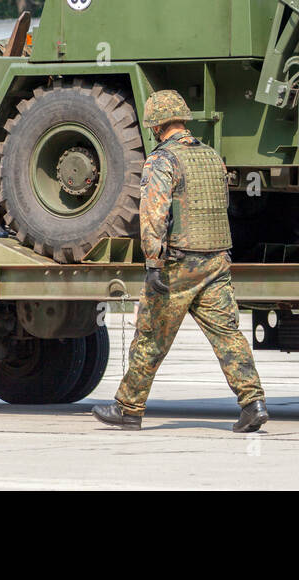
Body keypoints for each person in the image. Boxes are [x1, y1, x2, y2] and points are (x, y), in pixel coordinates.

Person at [94, 90, 268, 433]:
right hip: (216, 260)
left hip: (179, 264)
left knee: (151, 336)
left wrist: (153, 263)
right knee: (228, 335)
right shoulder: (212, 157)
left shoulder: (162, 160)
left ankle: (128, 408)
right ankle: (253, 403)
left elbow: (153, 215)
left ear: (157, 127)